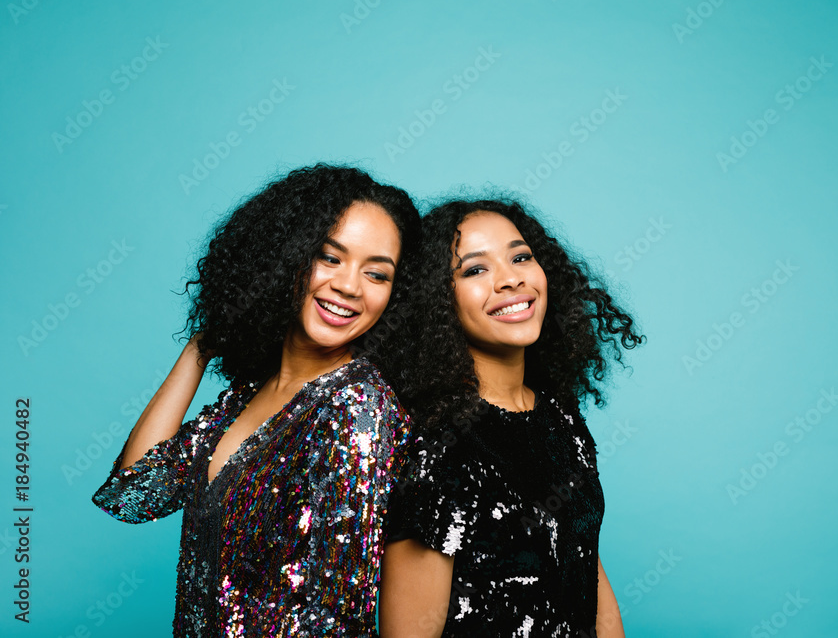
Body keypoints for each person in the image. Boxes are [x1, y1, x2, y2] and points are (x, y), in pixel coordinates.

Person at [92, 164, 420, 637]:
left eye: (377, 274)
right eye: (330, 258)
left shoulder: (359, 410)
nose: (350, 286)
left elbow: (332, 615)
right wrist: (200, 348)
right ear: (285, 258)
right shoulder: (249, 395)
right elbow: (135, 491)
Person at [378, 197, 644, 637]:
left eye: (520, 257)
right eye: (475, 270)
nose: (510, 279)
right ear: (437, 301)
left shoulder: (561, 420)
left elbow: (585, 571)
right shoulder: (439, 448)